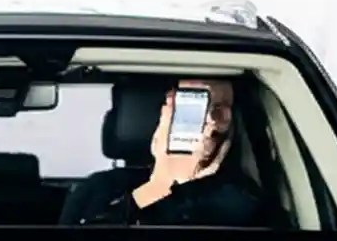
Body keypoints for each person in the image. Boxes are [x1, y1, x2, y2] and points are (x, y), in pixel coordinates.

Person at [80, 78, 267, 227]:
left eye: (219, 110)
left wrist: (186, 186)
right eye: (193, 105)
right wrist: (158, 185)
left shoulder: (242, 199)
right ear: (166, 114)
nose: (209, 122)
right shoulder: (101, 188)